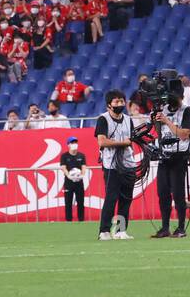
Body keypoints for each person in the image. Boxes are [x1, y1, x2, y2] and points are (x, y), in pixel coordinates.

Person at [150, 95, 190, 238]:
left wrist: (166, 121)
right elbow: (158, 133)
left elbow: (184, 135)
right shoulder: (161, 110)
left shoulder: (187, 111)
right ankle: (165, 227)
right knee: (162, 193)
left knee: (178, 194)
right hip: (164, 156)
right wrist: (156, 121)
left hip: (179, 157)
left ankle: (181, 228)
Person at [95, 89, 138, 239]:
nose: (119, 104)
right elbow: (102, 141)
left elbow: (132, 140)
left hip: (128, 163)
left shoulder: (128, 119)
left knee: (126, 199)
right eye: (116, 101)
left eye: (121, 101)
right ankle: (104, 231)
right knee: (111, 198)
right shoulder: (103, 119)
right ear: (109, 105)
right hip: (111, 165)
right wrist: (123, 143)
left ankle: (121, 230)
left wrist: (129, 143)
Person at [58, 137, 89, 222]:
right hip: (69, 182)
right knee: (68, 203)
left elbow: (83, 166)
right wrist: (68, 175)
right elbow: (63, 167)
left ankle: (81, 220)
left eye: (75, 142)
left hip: (79, 182)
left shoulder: (81, 155)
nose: (74, 144)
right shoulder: (64, 156)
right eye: (72, 143)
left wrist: (82, 175)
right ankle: (68, 221)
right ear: (68, 145)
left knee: (80, 202)